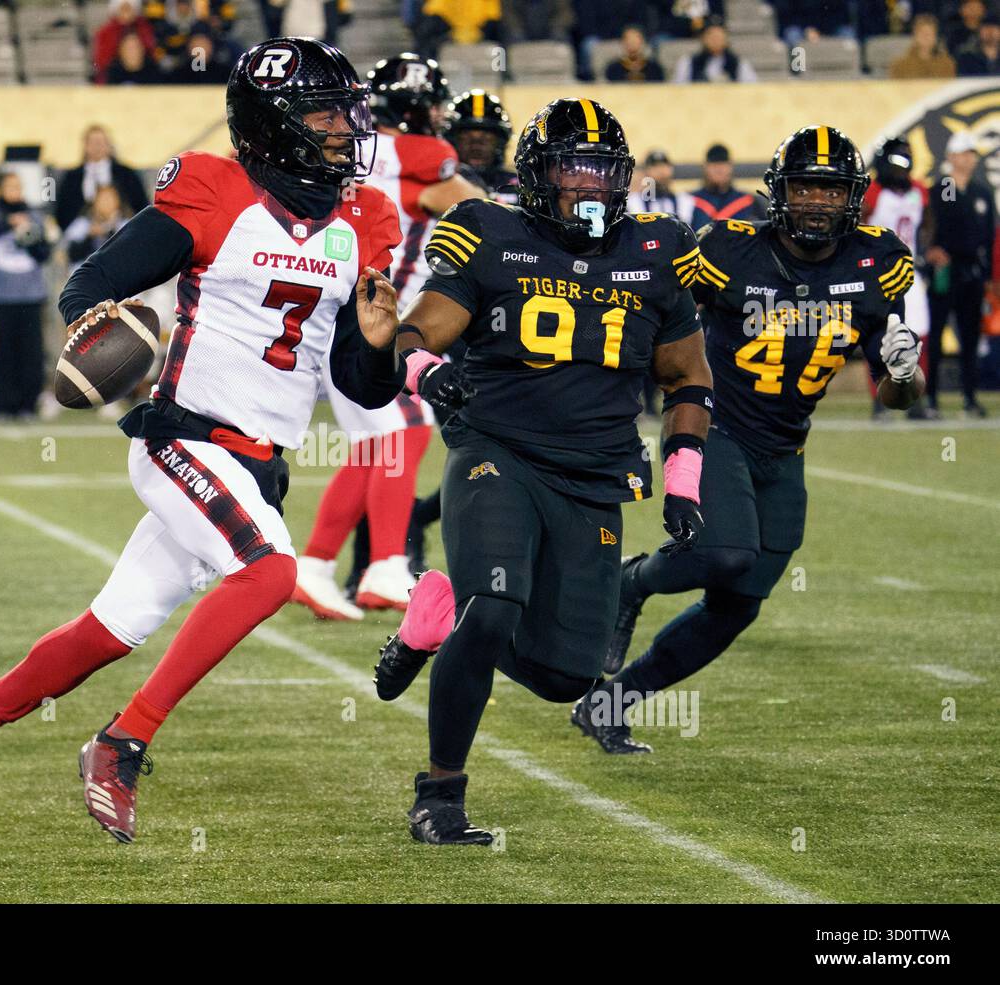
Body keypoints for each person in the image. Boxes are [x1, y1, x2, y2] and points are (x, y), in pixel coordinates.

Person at [0, 37, 405, 845]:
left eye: (347, 112)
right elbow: (90, 281)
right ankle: (122, 741)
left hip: (260, 464)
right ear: (273, 124)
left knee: (109, 630)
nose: (346, 129)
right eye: (325, 113)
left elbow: (362, 385)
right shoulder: (214, 191)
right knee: (269, 572)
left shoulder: (365, 218)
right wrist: (105, 329)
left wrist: (376, 344)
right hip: (183, 437)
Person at [373, 98, 714, 841]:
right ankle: (440, 793)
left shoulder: (659, 251)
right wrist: (428, 369)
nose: (588, 186)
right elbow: (415, 330)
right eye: (572, 168)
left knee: (566, 677)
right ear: (536, 174)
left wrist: (685, 477)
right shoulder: (490, 232)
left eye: (603, 171)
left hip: (594, 473)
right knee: (493, 608)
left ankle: (433, 623)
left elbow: (688, 378)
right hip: (499, 448)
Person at [593, 126, 924, 752]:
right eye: (805, 187)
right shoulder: (727, 249)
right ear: (778, 191)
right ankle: (630, 581)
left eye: (831, 189)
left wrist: (906, 375)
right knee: (725, 554)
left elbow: (897, 394)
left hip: (786, 447)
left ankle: (612, 703)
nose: (817, 203)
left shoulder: (878, 262)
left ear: (853, 197)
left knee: (737, 604)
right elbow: (661, 321)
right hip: (714, 425)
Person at [289, 53, 484, 621]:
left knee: (378, 444)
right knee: (407, 432)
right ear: (421, 108)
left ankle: (320, 564)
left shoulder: (354, 153)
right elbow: (484, 212)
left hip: (336, 320)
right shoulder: (423, 158)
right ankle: (386, 566)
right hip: (371, 326)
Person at [0, 170, 55, 421]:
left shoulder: (34, 217)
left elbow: (44, 254)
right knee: (3, 354)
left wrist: (29, 235)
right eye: (10, 186)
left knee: (30, 353)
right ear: (0, 189)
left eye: (18, 186)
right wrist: (6, 223)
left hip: (29, 296)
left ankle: (27, 405)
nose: (15, 191)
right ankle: (3, 404)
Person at [863, 135, 932, 419]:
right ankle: (880, 397)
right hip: (878, 272)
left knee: (918, 334)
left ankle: (915, 398)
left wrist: (926, 252)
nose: (902, 166)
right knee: (880, 335)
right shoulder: (873, 192)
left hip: (909, 270)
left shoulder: (918, 190)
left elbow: (927, 223)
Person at [924, 131, 992, 417]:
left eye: (971, 154)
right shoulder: (943, 189)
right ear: (951, 157)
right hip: (945, 270)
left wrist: (988, 274)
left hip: (972, 272)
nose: (967, 159)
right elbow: (930, 226)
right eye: (962, 154)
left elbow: (989, 236)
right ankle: (932, 399)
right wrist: (932, 251)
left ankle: (970, 397)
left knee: (970, 337)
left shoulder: (981, 192)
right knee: (937, 335)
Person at [54, 124, 150, 233]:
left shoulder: (126, 174)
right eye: (93, 143)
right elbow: (62, 211)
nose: (97, 147)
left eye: (101, 142)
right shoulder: (72, 178)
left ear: (109, 145)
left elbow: (141, 205)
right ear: (85, 146)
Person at [443, 88, 516, 204]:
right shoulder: (438, 185)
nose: (476, 146)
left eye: (486, 139)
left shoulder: (520, 187)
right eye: (466, 138)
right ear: (453, 141)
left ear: (500, 143)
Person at [687, 143, 766, 229]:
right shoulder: (690, 202)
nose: (719, 170)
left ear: (730, 167)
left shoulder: (748, 202)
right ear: (705, 167)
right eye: (714, 165)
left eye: (723, 165)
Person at [673, 18, 756, 82]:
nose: (715, 40)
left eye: (719, 36)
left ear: (726, 40)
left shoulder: (739, 64)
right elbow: (677, 91)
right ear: (703, 39)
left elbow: (752, 90)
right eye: (711, 36)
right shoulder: (688, 63)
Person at [627, 148, 693, 225]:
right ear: (646, 171)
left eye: (664, 166)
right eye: (655, 167)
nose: (661, 171)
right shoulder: (634, 202)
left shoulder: (684, 201)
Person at [890, 13, 956, 78]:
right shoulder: (899, 66)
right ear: (915, 36)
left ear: (936, 37)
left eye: (930, 33)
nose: (926, 37)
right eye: (922, 33)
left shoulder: (947, 64)